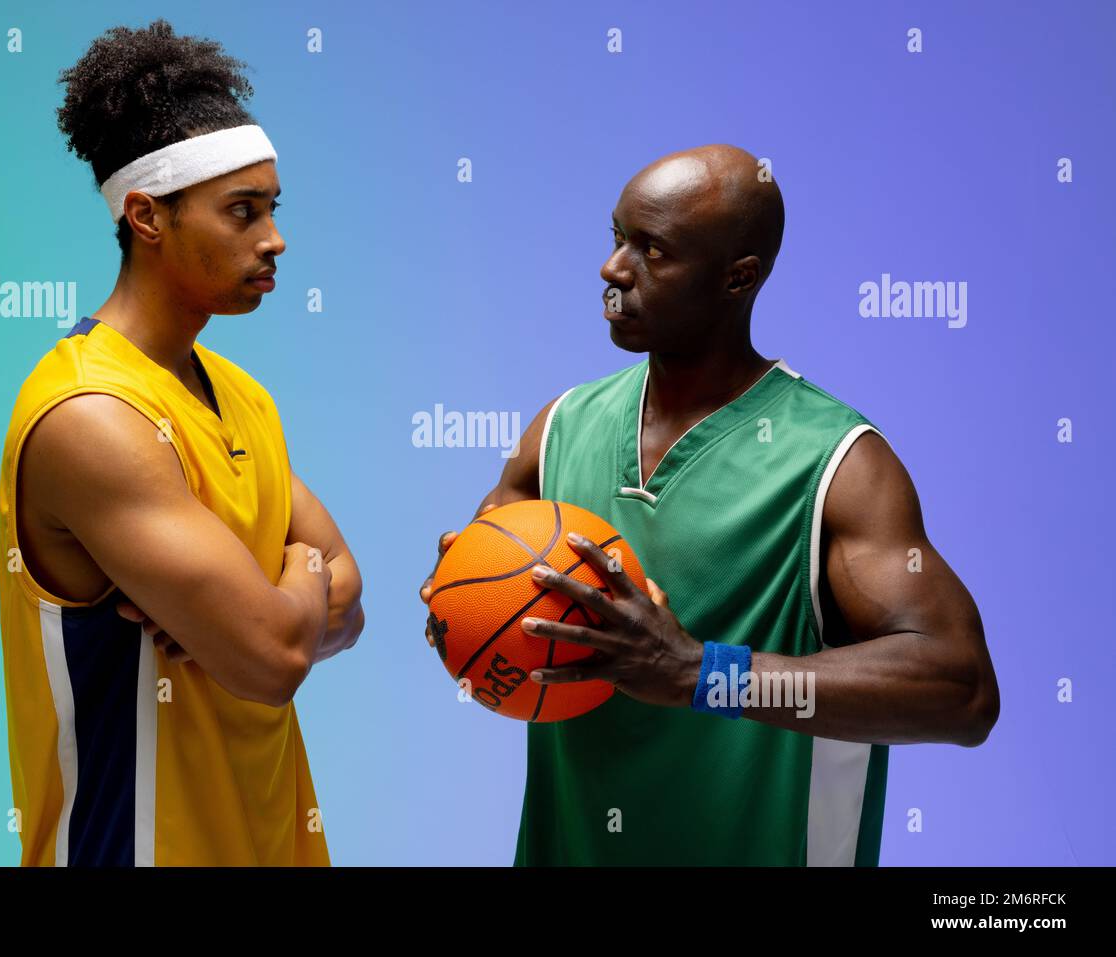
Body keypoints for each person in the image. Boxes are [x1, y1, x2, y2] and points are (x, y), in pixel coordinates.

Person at [420, 144, 998, 866]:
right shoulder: (559, 428)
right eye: (615, 237)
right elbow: (485, 593)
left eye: (652, 250)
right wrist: (458, 604)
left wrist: (700, 672)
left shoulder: (837, 462)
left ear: (738, 277)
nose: (612, 270)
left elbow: (962, 687)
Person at [0, 19, 362, 866]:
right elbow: (276, 656)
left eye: (273, 209)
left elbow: (350, 599)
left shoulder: (240, 394)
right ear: (146, 216)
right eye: (243, 211)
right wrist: (289, 585)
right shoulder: (91, 414)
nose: (275, 239)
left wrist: (277, 597)